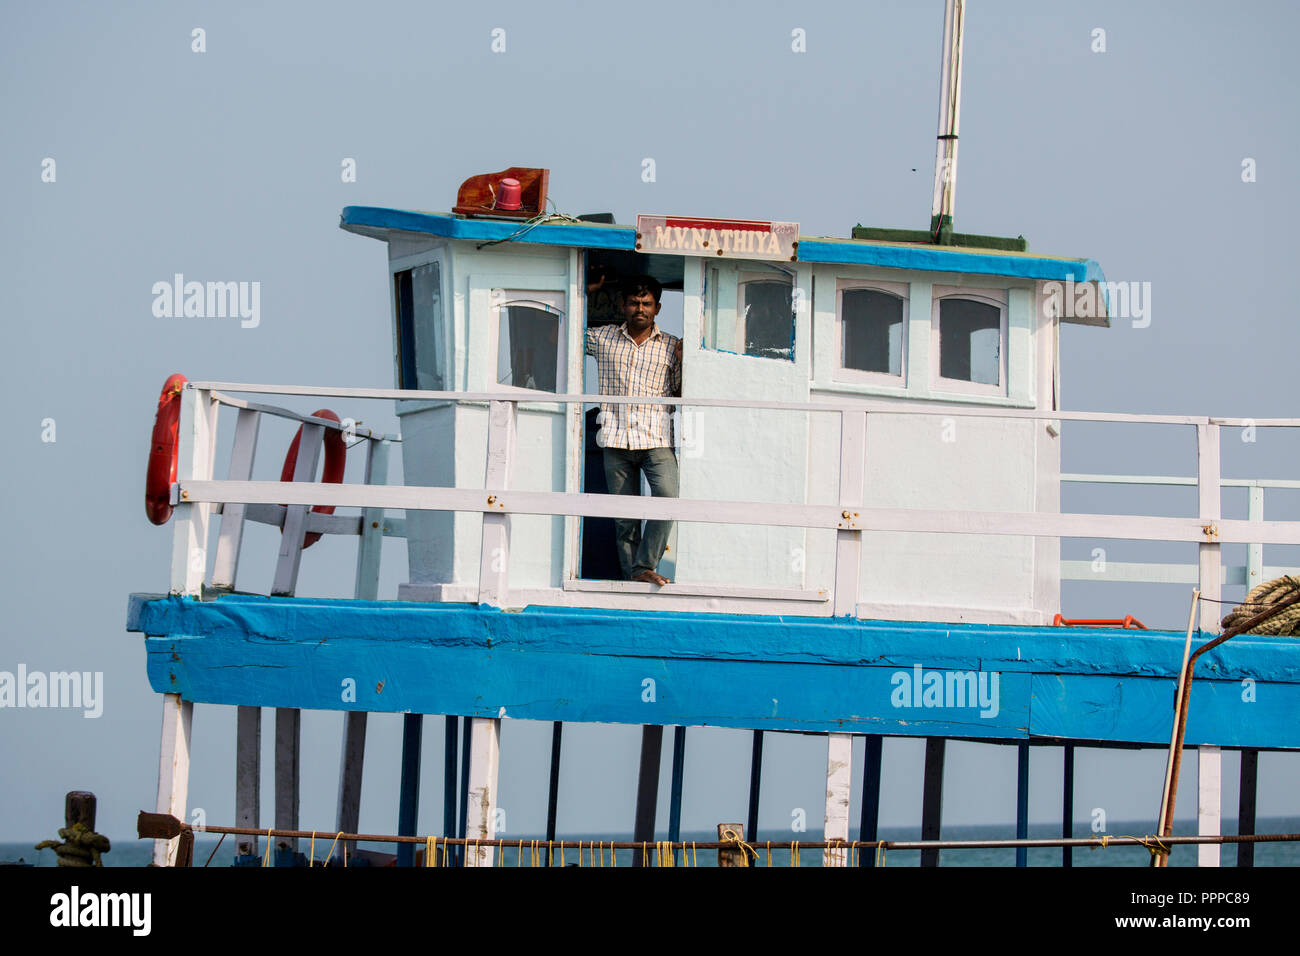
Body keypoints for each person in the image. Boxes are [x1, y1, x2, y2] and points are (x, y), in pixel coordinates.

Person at [584, 275, 682, 585]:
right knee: (623, 517)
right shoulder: (603, 338)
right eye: (634, 302)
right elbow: (561, 328)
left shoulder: (671, 346)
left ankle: (644, 565)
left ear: (657, 308)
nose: (640, 308)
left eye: (646, 303)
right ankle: (633, 577)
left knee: (668, 496)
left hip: (656, 436)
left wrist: (685, 363)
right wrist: (584, 292)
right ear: (623, 306)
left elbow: (680, 393)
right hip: (615, 436)